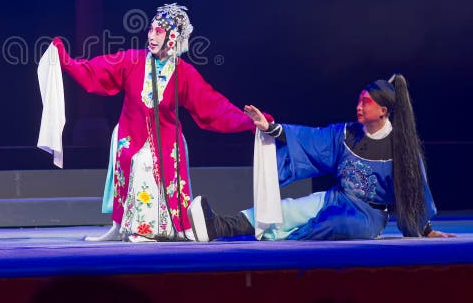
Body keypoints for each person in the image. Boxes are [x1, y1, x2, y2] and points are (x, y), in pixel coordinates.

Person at [52, 4, 271, 242]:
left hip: (165, 142)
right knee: (130, 162)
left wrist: (249, 121)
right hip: (130, 134)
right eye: (151, 30)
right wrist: (65, 60)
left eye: (158, 31)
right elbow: (96, 71)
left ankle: (150, 229)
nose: (151, 36)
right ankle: (121, 226)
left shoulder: (183, 73)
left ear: (173, 37)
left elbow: (212, 105)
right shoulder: (132, 60)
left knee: (146, 163)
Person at [187, 74, 455, 241]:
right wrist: (272, 128)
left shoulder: (402, 149)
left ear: (383, 110)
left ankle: (287, 237)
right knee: (285, 210)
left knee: (335, 223)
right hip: (337, 198)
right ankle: (218, 226)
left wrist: (426, 228)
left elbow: (415, 190)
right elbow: (311, 139)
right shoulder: (346, 134)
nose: (358, 107)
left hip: (368, 217)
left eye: (366, 103)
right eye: (359, 100)